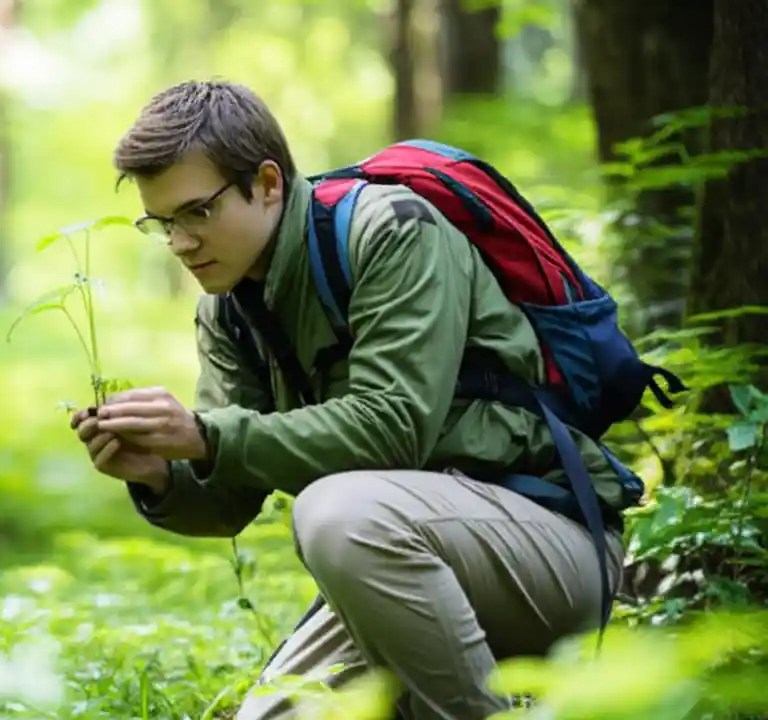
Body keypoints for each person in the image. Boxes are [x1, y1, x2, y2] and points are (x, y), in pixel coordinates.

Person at [69, 79, 632, 720]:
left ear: (269, 183)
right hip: (402, 565)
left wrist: (207, 435)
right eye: (162, 223)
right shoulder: (226, 313)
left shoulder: (392, 231)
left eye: (197, 212)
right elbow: (228, 504)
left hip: (550, 550)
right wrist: (161, 479)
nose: (180, 243)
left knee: (335, 513)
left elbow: (393, 430)